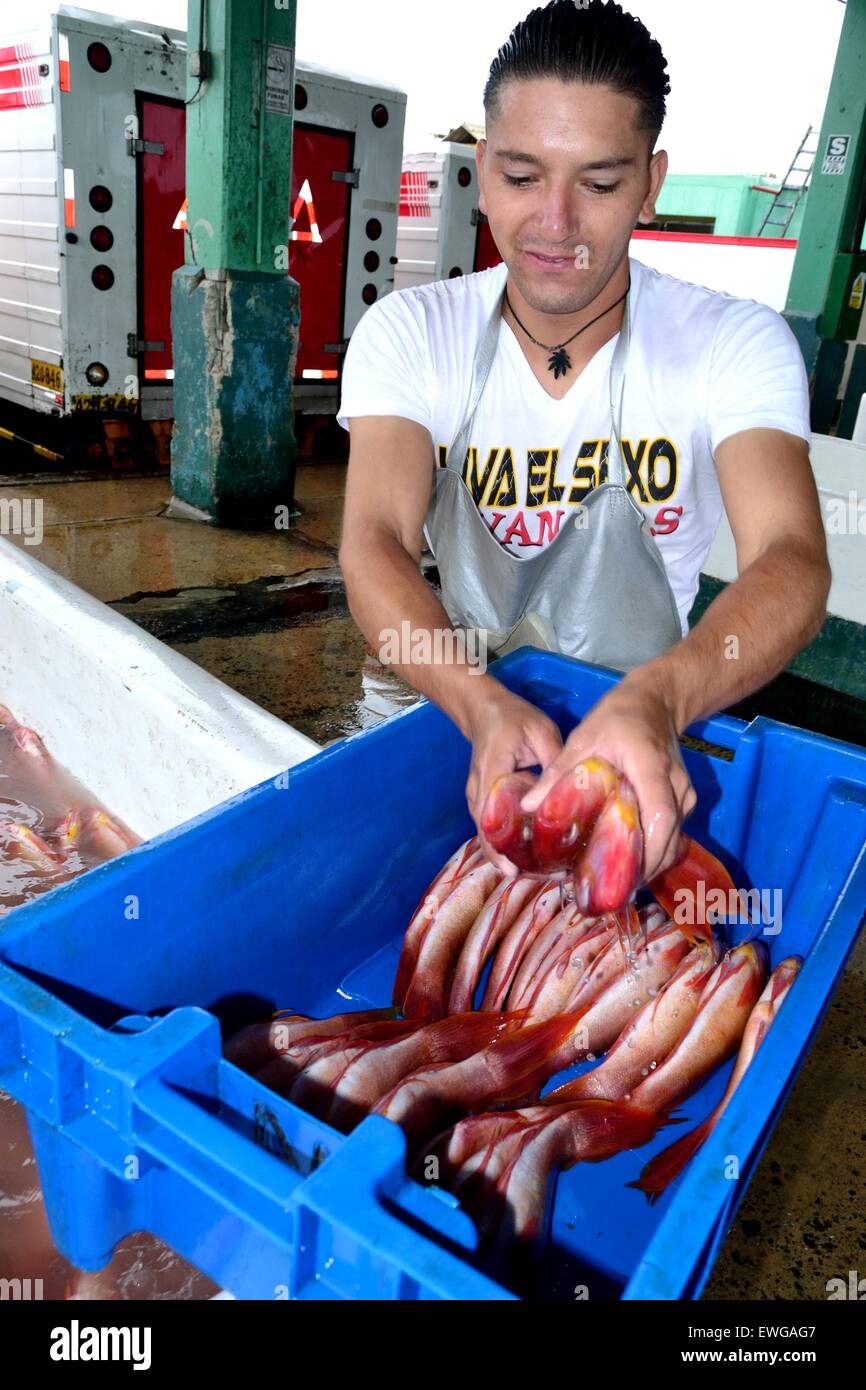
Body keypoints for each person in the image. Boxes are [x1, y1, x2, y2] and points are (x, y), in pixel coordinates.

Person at [337, 0, 829, 882]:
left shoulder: (732, 344)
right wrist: (477, 704)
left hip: (639, 738)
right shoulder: (413, 333)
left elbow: (792, 561)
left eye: (599, 184)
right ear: (482, 171)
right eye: (523, 178)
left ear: (652, 180)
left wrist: (662, 695)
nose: (555, 225)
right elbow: (374, 545)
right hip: (442, 708)